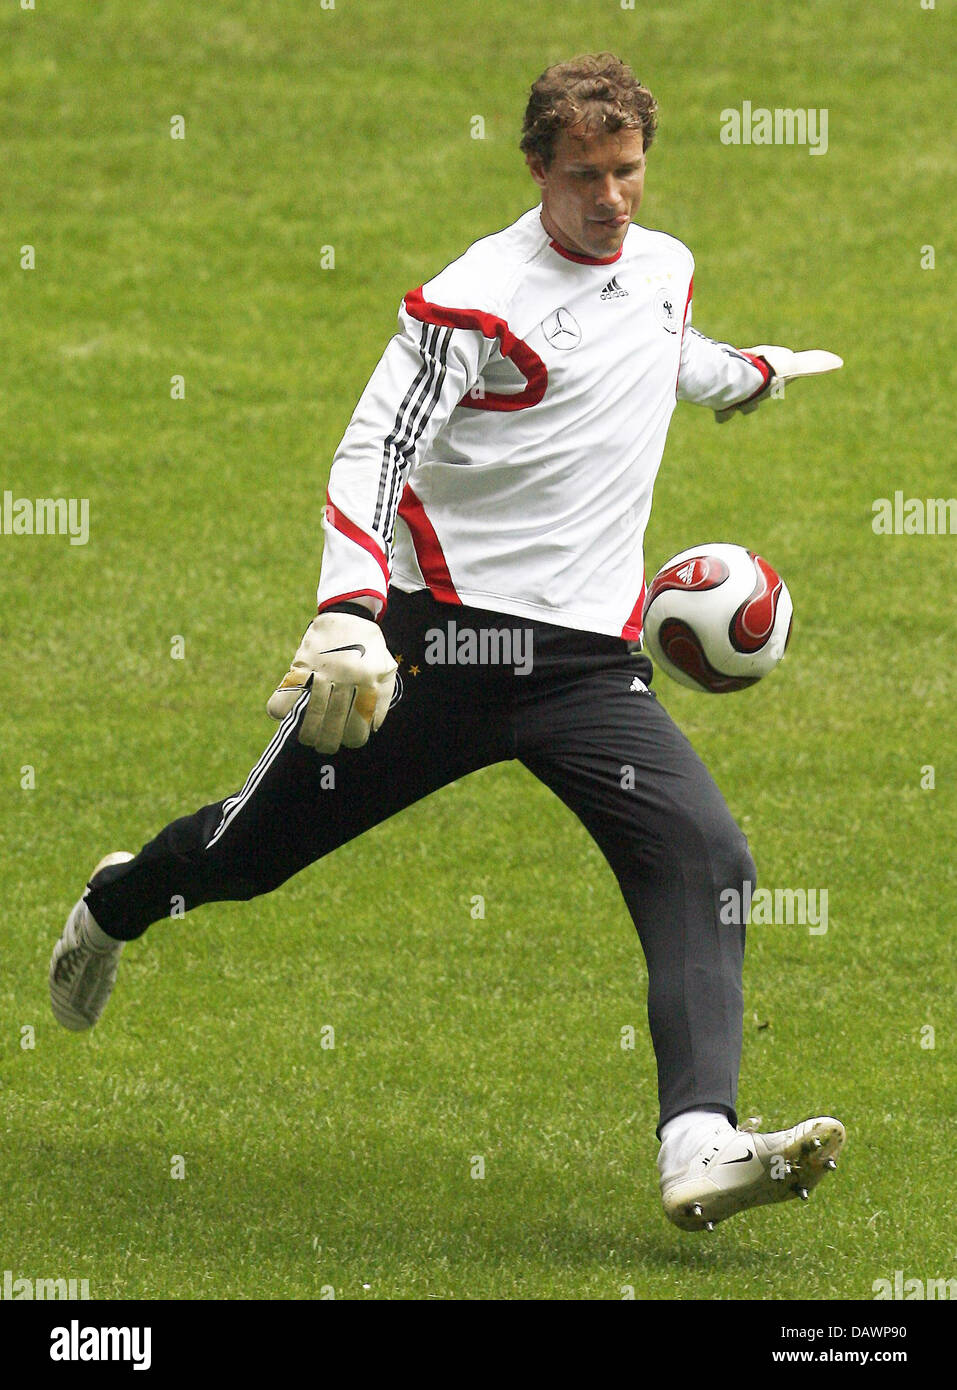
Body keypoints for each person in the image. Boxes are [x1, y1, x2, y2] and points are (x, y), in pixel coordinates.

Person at [50, 53, 844, 1233]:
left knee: (706, 858)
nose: (613, 198)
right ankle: (117, 904)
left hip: (588, 674)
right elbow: (373, 450)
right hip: (438, 659)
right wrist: (348, 610)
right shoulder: (472, 300)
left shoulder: (661, 266)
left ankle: (699, 1142)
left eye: (628, 171)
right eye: (586, 175)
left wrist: (749, 377)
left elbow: (660, 349)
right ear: (537, 168)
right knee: (243, 856)